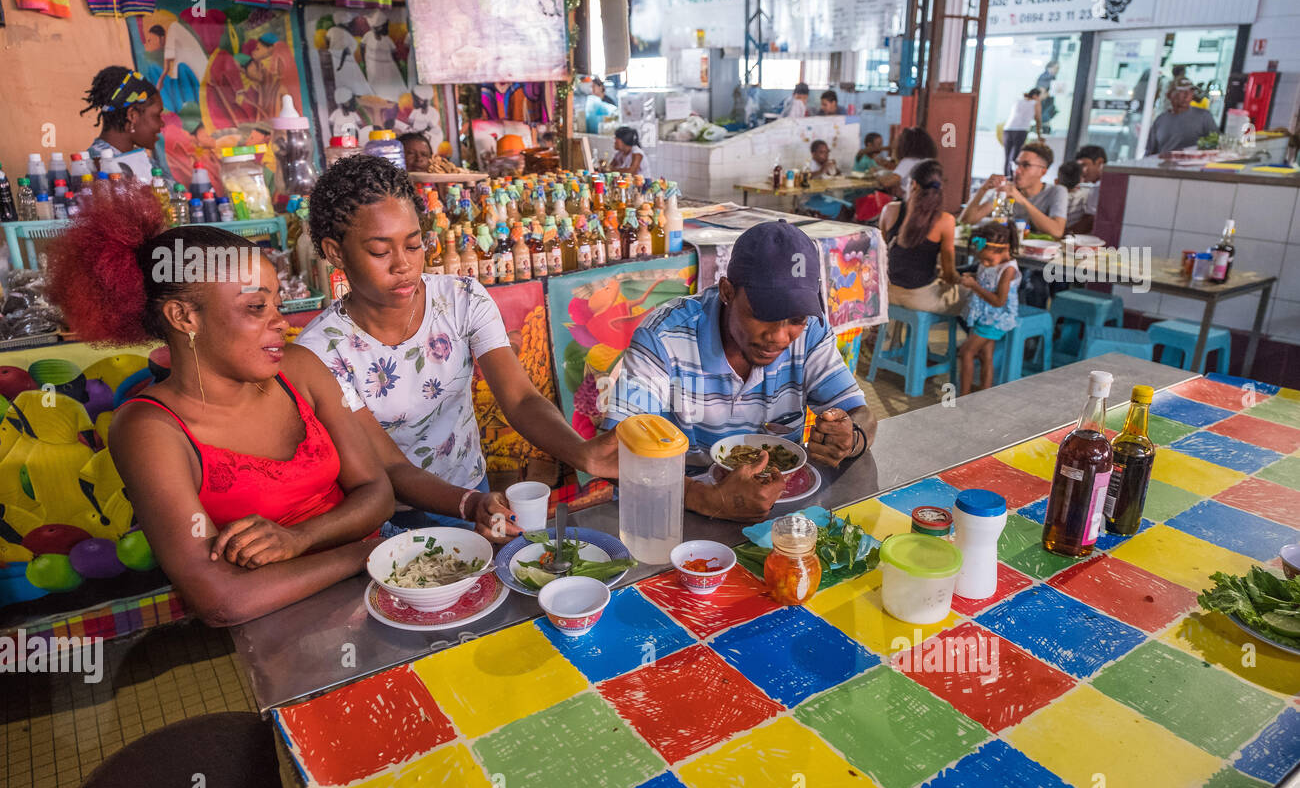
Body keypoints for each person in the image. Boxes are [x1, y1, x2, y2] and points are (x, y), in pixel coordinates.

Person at [46, 184, 394, 626]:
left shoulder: (300, 369)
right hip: (285, 619)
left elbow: (377, 492)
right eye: (255, 307)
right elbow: (220, 601)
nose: (280, 323)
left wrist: (301, 538)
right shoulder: (150, 429)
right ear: (184, 318)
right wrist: (366, 553)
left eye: (277, 304)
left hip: (387, 580)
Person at [297, 155, 617, 543]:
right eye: (381, 252)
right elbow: (392, 468)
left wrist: (581, 452)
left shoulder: (462, 299)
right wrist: (468, 505)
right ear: (335, 252)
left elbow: (519, 400)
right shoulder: (321, 351)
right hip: (384, 516)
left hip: (470, 487)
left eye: (414, 245)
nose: (404, 265)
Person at [604, 220, 876, 524]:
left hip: (775, 510)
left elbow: (861, 414)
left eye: (795, 319)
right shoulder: (664, 338)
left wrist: (851, 436)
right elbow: (615, 456)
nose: (780, 336)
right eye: (763, 315)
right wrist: (707, 498)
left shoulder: (811, 332)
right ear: (727, 291)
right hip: (673, 509)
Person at [878, 159, 961, 315]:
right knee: (968, 297)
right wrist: (962, 279)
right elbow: (949, 273)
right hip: (919, 298)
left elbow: (880, 255)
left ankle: (896, 336)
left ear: (914, 185)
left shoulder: (888, 210)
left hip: (887, 293)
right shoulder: (946, 221)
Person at [957, 220, 1021, 396]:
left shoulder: (1008, 270)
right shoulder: (991, 261)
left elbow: (999, 301)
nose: (984, 263)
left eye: (988, 259)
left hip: (996, 319)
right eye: (981, 259)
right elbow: (986, 277)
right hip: (984, 315)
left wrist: (974, 286)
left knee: (966, 352)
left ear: (1005, 249)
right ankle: (984, 394)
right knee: (986, 356)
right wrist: (973, 276)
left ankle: (964, 396)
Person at [961, 141, 1067, 239]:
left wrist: (1022, 200)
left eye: (1026, 165)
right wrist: (983, 190)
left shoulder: (1056, 191)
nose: (1017, 170)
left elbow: (1057, 231)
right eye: (1016, 164)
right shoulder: (1007, 191)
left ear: (1043, 172)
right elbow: (966, 222)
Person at [81, 66, 165, 178]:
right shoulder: (101, 170)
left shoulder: (139, 159)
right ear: (132, 115)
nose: (162, 124)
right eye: (157, 115)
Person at [1146, 77, 1217, 156]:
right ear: (1169, 95)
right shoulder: (1160, 120)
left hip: (1193, 166)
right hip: (1163, 166)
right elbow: (1150, 152)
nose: (1187, 95)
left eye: (1191, 91)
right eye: (1181, 91)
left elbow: (1216, 145)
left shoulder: (1204, 116)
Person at [876, 127, 938, 197]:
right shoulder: (927, 161)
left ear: (906, 145)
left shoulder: (908, 161)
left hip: (910, 202)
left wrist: (876, 177)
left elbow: (887, 183)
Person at [1002, 87, 1042, 177]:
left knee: (1007, 157)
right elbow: (1038, 120)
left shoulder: (1018, 101)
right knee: (1015, 157)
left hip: (1008, 129)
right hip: (1020, 130)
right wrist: (1039, 135)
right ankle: (1012, 179)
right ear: (1035, 96)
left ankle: (1007, 178)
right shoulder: (1035, 103)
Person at [1072, 144, 1107, 235]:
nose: (1081, 170)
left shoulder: (1099, 187)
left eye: (1084, 165)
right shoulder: (1102, 185)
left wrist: (1066, 234)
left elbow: (1089, 220)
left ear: (1099, 162)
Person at [1056, 161, 1089, 232]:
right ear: (1080, 179)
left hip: (1057, 233)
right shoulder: (1084, 195)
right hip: (1073, 235)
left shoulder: (1056, 196)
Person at [1036, 61, 1060, 131]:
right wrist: (1054, 91)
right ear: (1049, 68)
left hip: (1046, 107)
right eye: (1056, 68)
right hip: (1044, 108)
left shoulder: (1051, 77)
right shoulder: (1046, 77)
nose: (1057, 70)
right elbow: (1041, 95)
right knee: (1044, 128)